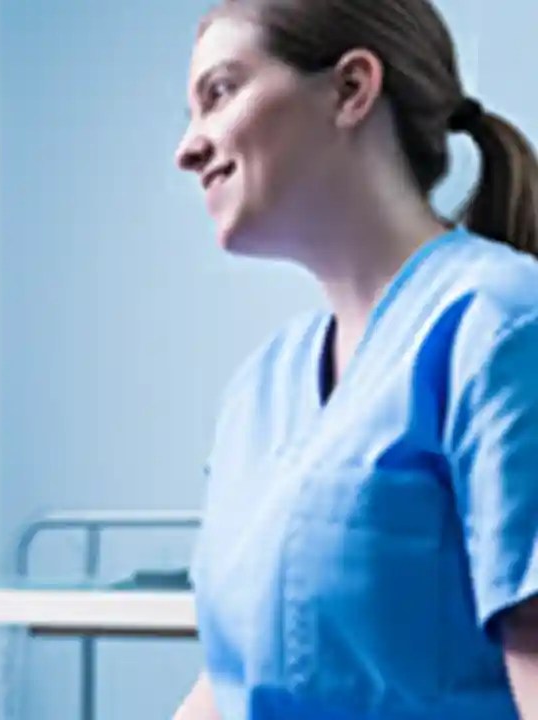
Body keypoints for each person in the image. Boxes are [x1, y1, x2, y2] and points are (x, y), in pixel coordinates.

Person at [173, 1, 538, 718]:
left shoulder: (499, 327)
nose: (188, 147)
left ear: (350, 90)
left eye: (219, 93)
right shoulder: (261, 390)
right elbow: (229, 684)